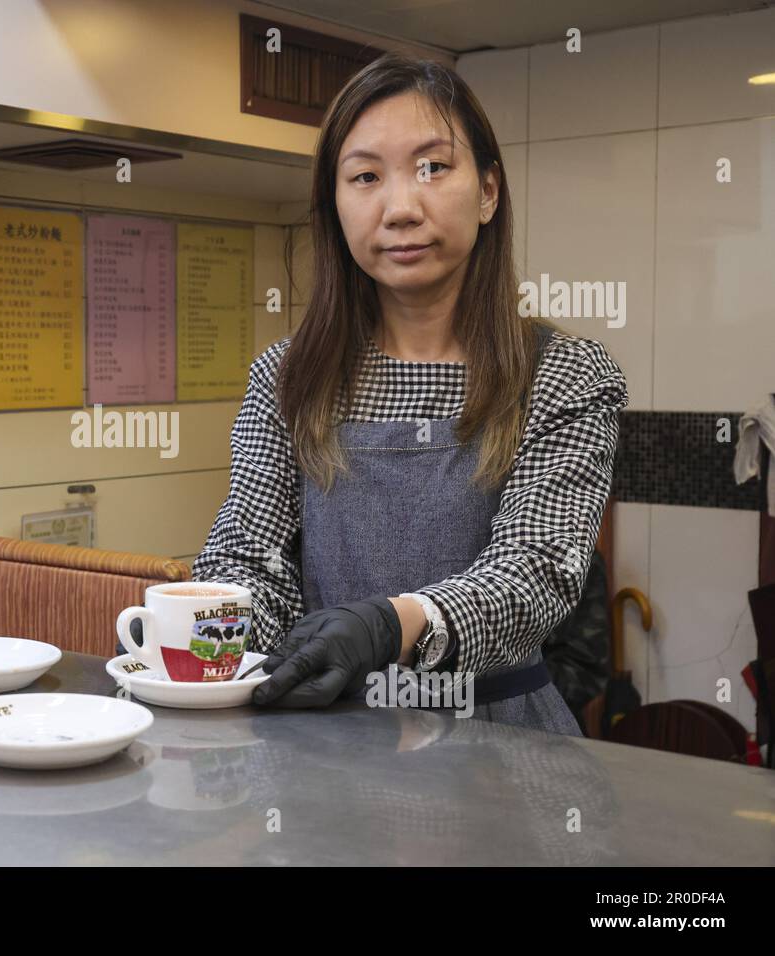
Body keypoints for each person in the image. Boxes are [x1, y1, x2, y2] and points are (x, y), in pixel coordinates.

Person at [191, 53, 628, 735]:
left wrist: (391, 625)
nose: (399, 208)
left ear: (487, 192)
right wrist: (210, 648)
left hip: (502, 739)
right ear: (335, 207)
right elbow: (249, 556)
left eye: (432, 168)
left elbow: (536, 575)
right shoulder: (288, 377)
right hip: (326, 733)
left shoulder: (563, 374)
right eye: (365, 177)